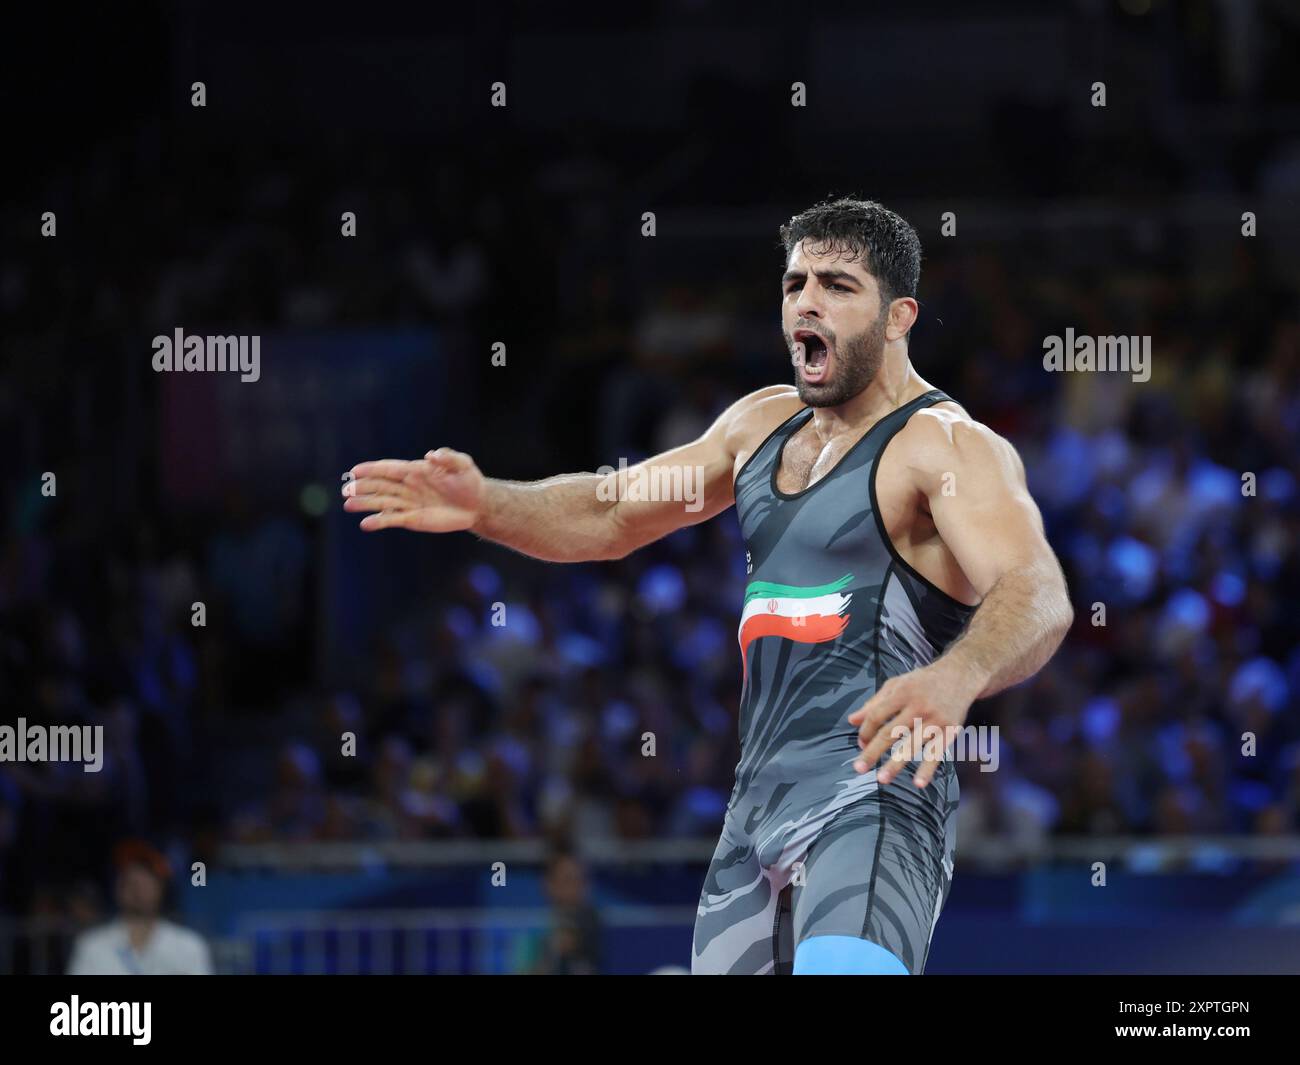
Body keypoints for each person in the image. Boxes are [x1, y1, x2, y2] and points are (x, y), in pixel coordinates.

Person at [343, 197, 1073, 974]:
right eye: (795, 285)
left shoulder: (946, 447)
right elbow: (610, 511)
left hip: (874, 795)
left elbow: (1039, 592)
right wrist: (488, 503)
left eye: (836, 284)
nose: (807, 303)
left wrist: (957, 675)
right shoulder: (759, 427)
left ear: (899, 317)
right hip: (754, 808)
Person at [66, 839, 213, 975]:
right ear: (118, 887)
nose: (137, 888)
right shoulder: (92, 946)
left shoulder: (189, 947)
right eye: (130, 880)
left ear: (161, 888)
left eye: (146, 880)